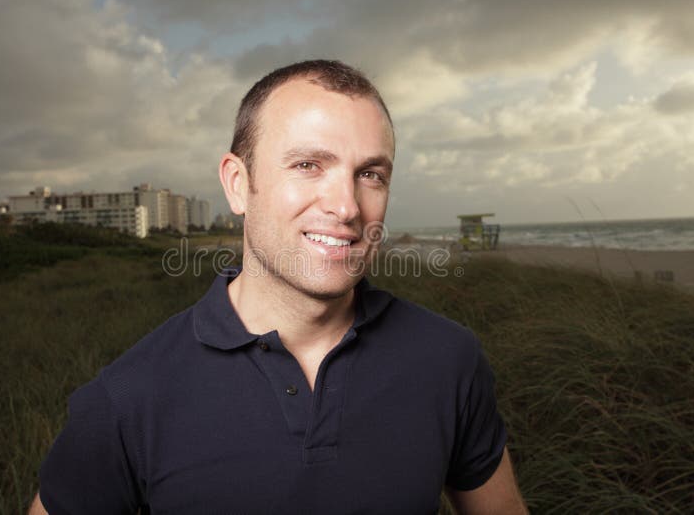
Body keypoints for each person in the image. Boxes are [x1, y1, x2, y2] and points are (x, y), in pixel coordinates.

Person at [29, 60, 527, 514]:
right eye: (309, 165)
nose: (347, 207)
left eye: (370, 174)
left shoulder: (449, 359)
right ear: (238, 184)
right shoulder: (127, 397)